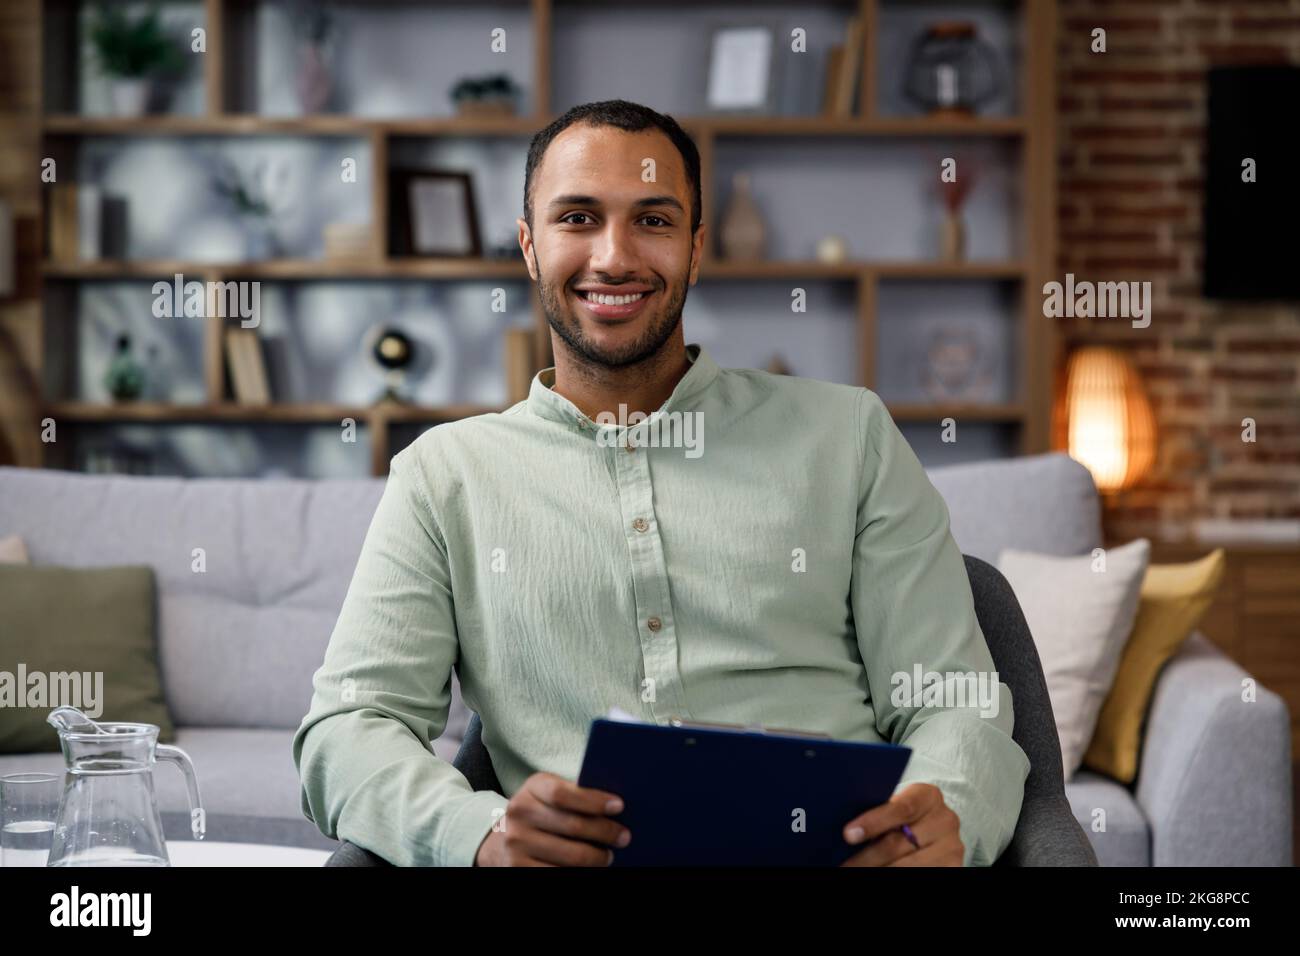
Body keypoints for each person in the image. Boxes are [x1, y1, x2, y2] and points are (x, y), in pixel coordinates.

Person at [293, 99, 1029, 867]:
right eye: (577, 218)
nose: (615, 257)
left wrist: (951, 811)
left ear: (696, 247)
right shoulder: (443, 477)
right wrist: (477, 831)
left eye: (653, 220)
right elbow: (347, 728)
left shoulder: (851, 437)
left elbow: (952, 702)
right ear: (529, 247)